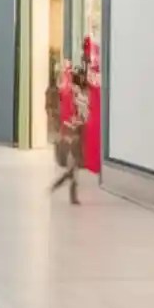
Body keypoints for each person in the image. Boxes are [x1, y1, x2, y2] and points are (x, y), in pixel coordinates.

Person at [50, 63, 89, 204]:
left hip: (74, 134)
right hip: (73, 134)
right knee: (73, 166)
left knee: (73, 167)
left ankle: (65, 189)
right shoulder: (73, 95)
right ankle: (66, 190)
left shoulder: (73, 95)